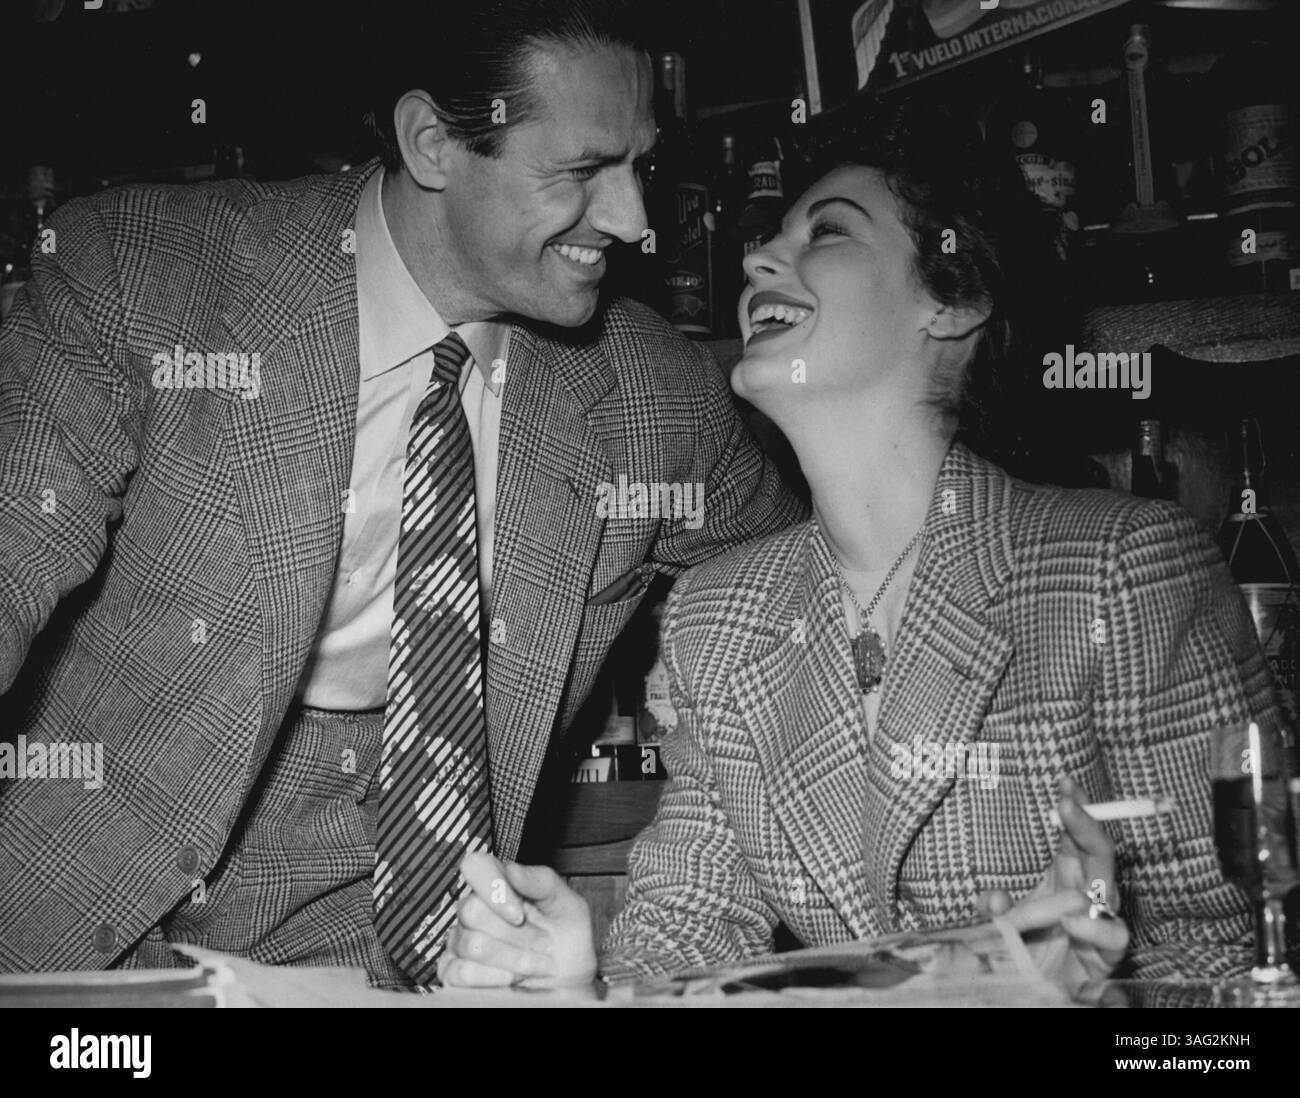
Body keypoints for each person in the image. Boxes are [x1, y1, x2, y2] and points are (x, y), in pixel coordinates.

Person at [0, 0, 804, 987]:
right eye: (583, 171)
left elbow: (796, 610)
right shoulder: (142, 271)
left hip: (402, 941)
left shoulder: (660, 395)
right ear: (432, 142)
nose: (635, 221)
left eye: (639, 165)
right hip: (61, 905)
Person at [441, 102, 1273, 994]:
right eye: (769, 238)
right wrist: (586, 985)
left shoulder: (1124, 572)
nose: (761, 259)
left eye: (828, 233)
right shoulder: (716, 616)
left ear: (951, 303)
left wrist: (1096, 1000)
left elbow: (1233, 992)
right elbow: (687, 937)